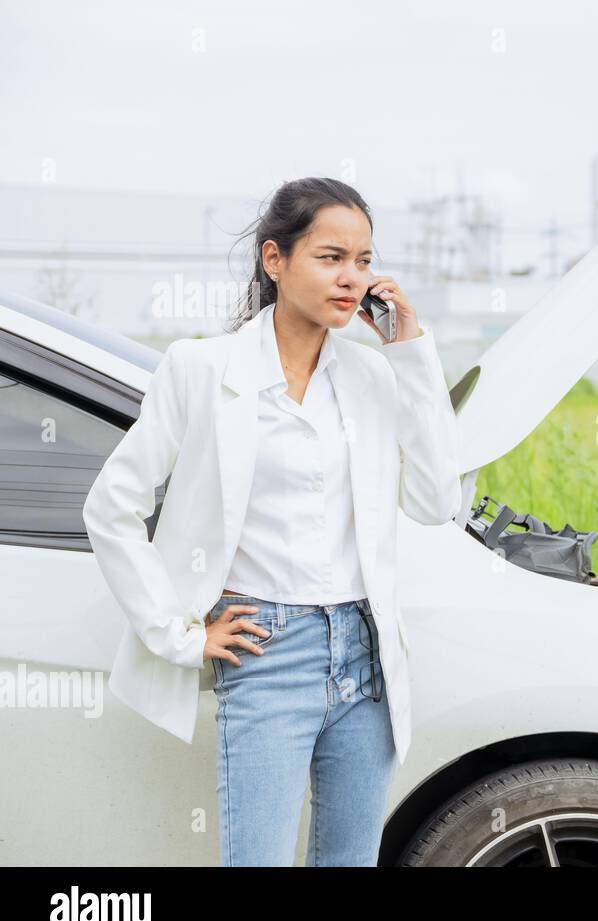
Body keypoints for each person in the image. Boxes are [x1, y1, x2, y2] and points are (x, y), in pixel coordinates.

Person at [83, 177, 463, 865]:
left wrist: (413, 353)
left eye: (364, 260)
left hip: (365, 654)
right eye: (331, 257)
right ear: (274, 259)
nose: (352, 278)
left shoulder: (374, 377)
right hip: (269, 651)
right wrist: (177, 632)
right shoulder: (201, 369)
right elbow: (111, 506)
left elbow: (438, 501)